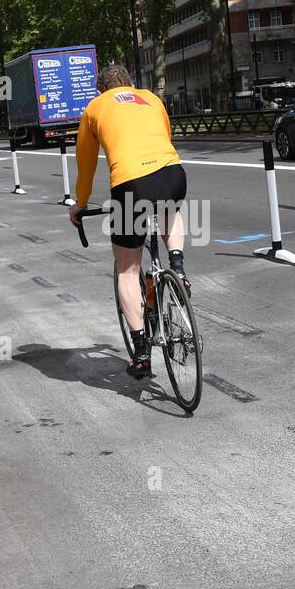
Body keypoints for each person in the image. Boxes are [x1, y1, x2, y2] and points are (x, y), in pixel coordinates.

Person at [69, 63, 188, 380]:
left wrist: (80, 204)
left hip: (130, 183)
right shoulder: (151, 97)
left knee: (127, 268)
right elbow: (165, 136)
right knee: (169, 209)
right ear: (131, 84)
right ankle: (177, 267)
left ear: (99, 91)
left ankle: (142, 354)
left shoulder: (95, 107)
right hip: (172, 171)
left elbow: (86, 164)